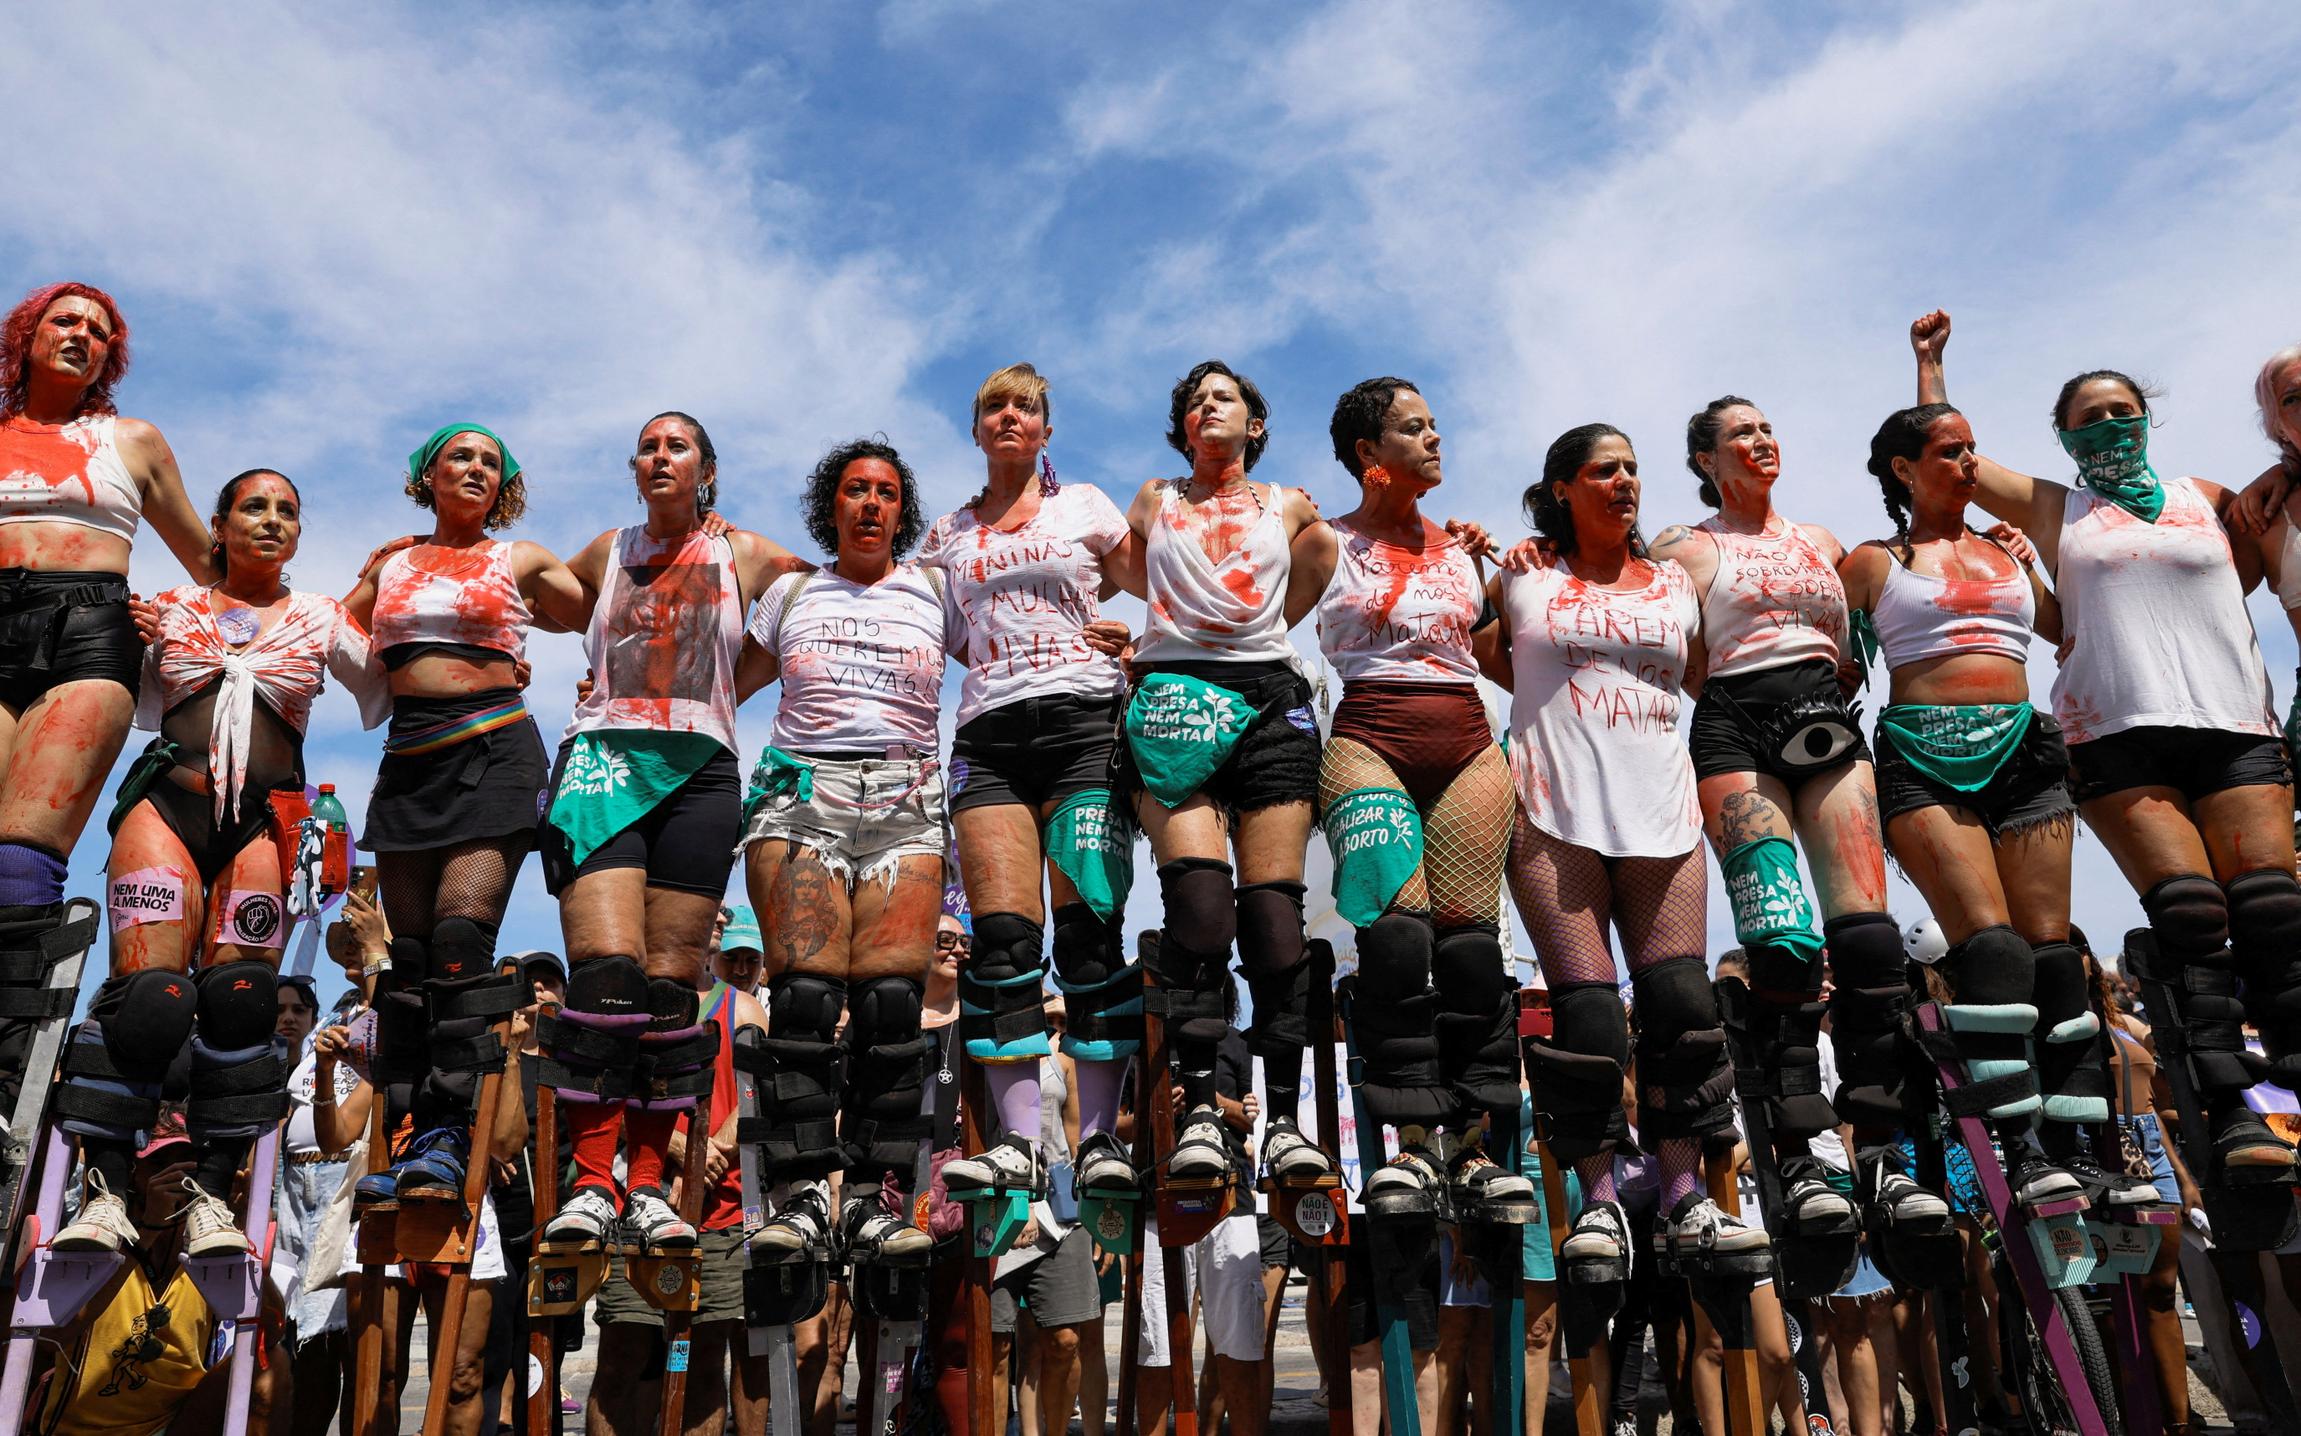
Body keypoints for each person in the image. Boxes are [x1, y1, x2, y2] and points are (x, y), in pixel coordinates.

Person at [1912, 309, 2301, 1181]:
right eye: (2085, 419)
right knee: (2193, 915)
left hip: (2234, 725)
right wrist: (1930, 366)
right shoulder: (2060, 510)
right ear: (2061, 436)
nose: (2107, 426)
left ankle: (2291, 1076)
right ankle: (2233, 1112)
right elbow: (1955, 462)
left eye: (2121, 410)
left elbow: (2285, 520)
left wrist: (2278, 466)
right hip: (2119, 736)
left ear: (2147, 418)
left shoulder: (2214, 500)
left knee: (2274, 913)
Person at [53, 468, 385, 1257]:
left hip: (263, 826)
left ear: (299, 534)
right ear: (220, 523)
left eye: (288, 512)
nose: (272, 521)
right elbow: (97, 686)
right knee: (153, 999)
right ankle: (103, 1190)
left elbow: (400, 684)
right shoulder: (166, 608)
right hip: (166, 807)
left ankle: (213, 1193)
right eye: (255, 507)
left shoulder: (318, 616)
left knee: (241, 1000)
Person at [1841, 405, 2157, 1209]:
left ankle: (2082, 1151)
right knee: (1990, 951)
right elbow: (1834, 673)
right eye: (1951, 452)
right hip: (1921, 758)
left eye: (1975, 447)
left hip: (2023, 750)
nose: (1971, 462)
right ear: (1902, 469)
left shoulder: (2004, 548)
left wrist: (2030, 562)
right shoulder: (1873, 563)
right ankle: (2018, 1151)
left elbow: (2059, 631)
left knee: (2052, 955)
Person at [1648, 394, 1922, 1250]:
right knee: (1780, 939)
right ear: (1705, 461)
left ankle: (1880, 1145)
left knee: (1869, 938)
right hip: (1736, 725)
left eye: (1768, 428)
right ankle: (1804, 1143)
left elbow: (1897, 578)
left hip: (1823, 718)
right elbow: (1645, 623)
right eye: (1741, 434)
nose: (1761, 441)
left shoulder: (1826, 544)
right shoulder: (1683, 548)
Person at [535, 411, 802, 1255]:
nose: (659, 456)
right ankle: (590, 1183)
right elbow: (527, 602)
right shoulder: (603, 550)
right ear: (633, 466)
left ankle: (646, 1189)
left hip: (700, 768)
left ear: (705, 470)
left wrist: (736, 685)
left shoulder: (746, 553)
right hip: (605, 762)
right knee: (604, 978)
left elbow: (818, 602)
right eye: (647, 446)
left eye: (675, 445)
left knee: (667, 991)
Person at [1491, 424, 1756, 1271]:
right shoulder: (1521, 575)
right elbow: (1474, 654)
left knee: (1681, 1005)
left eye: (1632, 469)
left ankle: (1683, 1198)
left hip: (1663, 808)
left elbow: (1711, 675)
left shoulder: (1674, 582)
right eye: (1603, 470)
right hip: (1553, 806)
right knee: (1590, 1014)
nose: (1623, 482)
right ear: (1561, 486)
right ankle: (1600, 1201)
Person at [1289, 375, 1528, 1218]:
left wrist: (1521, 577)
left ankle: (1470, 1149)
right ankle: (1411, 1146)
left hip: (1467, 740)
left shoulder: (1462, 550)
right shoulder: (1322, 542)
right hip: (1367, 739)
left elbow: (1506, 656)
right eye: (1413, 429)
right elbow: (1244, 624)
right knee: (1395, 938)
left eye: (1435, 426)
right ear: (1367, 453)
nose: (1434, 440)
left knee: (1468, 949)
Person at [341, 422, 589, 1207]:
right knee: (407, 963)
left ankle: (451, 1129)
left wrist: (694, 533)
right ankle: (412, 1128)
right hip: (409, 760)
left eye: (492, 461)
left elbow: (602, 606)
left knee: (458, 940)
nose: (477, 467)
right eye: (462, 456)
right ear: (429, 475)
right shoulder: (393, 563)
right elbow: (322, 629)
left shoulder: (517, 559)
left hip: (494, 752)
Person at [921, 363, 1142, 1208]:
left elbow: (1171, 591)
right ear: (977, 430)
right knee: (1006, 941)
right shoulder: (944, 533)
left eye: (1025, 407)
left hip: (1086, 728)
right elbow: (919, 624)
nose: (1009, 416)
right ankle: (1017, 1146)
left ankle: (1095, 1146)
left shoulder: (1083, 505)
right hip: (989, 736)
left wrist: (1135, 642)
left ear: (1046, 429)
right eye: (993, 407)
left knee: (1089, 931)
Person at [0, 282, 217, 1115]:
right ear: (27, 335)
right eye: (66, 321)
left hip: (89, 628)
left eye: (100, 331)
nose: (81, 336)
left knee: (19, 852)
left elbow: (213, 564)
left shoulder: (129, 440)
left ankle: (11, 1071)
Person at [1115, 358, 1331, 1192]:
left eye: (1224, 398)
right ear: (1182, 428)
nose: (1209, 408)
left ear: (1255, 423)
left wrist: (1259, 638)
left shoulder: (1291, 505)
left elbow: (1312, 574)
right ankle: (1203, 1106)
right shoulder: (1151, 500)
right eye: (1194, 401)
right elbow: (1127, 576)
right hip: (1172, 697)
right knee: (1200, 917)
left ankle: (1282, 1122)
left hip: (1269, 698)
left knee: (1274, 923)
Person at [734, 437, 950, 1268]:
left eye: (885, 493)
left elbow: (1010, 645)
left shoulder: (934, 588)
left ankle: (868, 1199)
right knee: (805, 1002)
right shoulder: (791, 592)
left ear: (902, 511)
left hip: (905, 798)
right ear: (831, 506)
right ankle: (798, 1199)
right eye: (855, 490)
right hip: (803, 797)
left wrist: (1101, 646)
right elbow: (724, 681)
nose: (869, 504)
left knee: (894, 1004)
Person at [311, 975, 529, 1436]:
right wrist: (326, 1070)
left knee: (462, 1378)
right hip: (385, 1211)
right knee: (378, 1376)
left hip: (462, 1213)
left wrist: (506, 1050)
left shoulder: (476, 1063)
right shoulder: (397, 1068)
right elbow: (333, 1137)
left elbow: (508, 1143)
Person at [585, 959, 769, 1436]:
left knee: (705, 1356)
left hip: (721, 1208)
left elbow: (757, 1094)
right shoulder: (622, 1005)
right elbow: (597, 1095)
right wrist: (677, 1144)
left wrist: (710, 1154)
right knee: (623, 1352)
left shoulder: (742, 1009)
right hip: (638, 1207)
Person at [30, 1111, 291, 1433]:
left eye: (190, 1169)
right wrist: (148, 1230)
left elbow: (273, 1332)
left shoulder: (212, 1250)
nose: (179, 1179)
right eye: (161, 1165)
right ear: (133, 1175)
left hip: (175, 1423)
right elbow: (51, 1337)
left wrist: (243, 1239)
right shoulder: (96, 1242)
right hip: (83, 1428)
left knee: (272, 1364)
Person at [2093, 936, 2202, 1436]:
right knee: (2112, 1296)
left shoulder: (2125, 1024)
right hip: (2093, 1151)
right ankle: (2133, 1413)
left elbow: (2156, 1105)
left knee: (2161, 1291)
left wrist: (2181, 1174)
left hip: (2149, 1153)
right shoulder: (2055, 1030)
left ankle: (2177, 1420)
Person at [713, 903, 764, 994]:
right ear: (708, 958)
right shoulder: (692, 1003)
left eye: (752, 960)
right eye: (730, 958)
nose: (741, 970)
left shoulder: (775, 1006)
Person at [276, 974, 320, 1051]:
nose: (288, 1018)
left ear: (314, 1022)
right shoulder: (248, 1060)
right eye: (278, 1010)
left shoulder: (322, 1063)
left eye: (299, 1010)